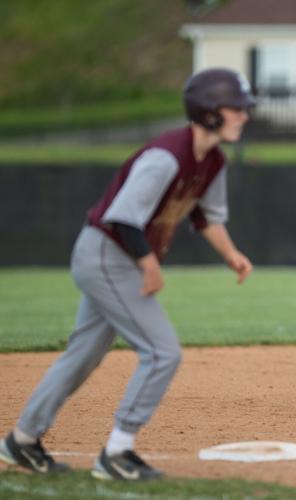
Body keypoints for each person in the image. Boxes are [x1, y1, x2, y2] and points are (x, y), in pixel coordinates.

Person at [0, 68, 255, 480]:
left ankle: (22, 441)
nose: (244, 116)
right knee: (162, 352)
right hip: (106, 254)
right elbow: (122, 220)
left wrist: (231, 254)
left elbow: (206, 217)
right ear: (209, 112)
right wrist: (149, 265)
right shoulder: (165, 156)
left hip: (117, 256)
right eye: (236, 109)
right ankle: (116, 453)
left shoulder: (213, 160)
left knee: (83, 354)